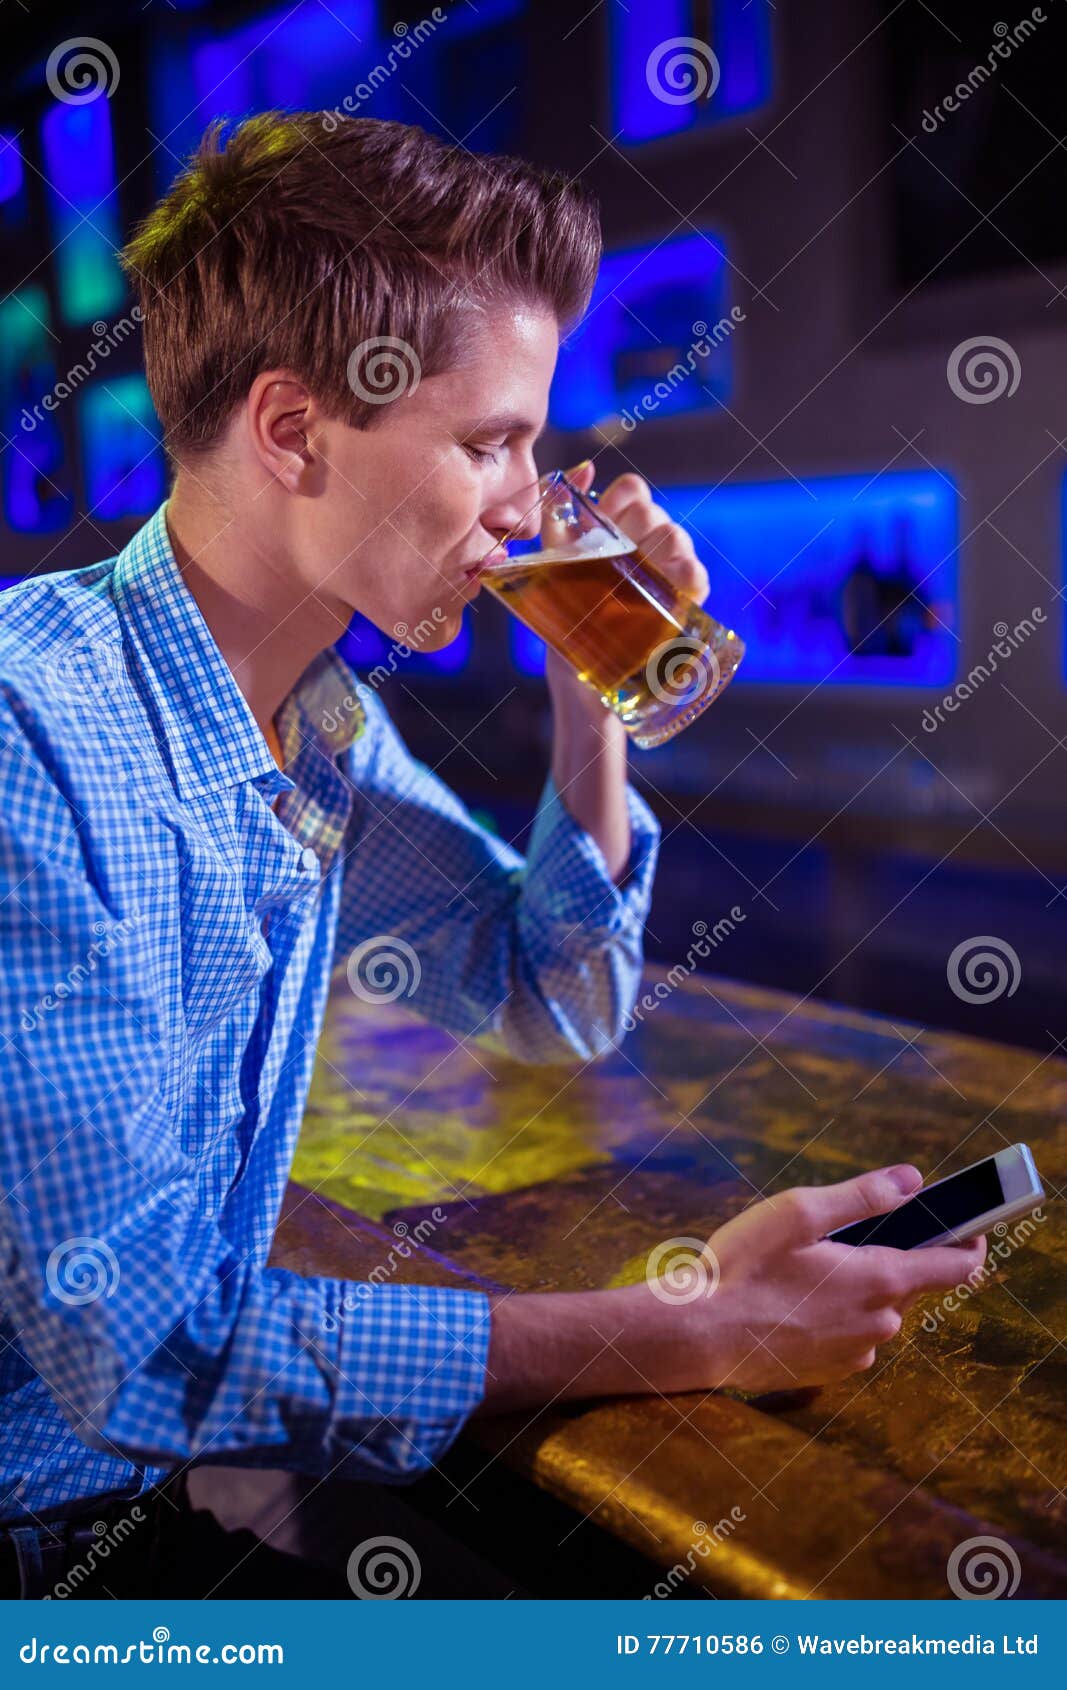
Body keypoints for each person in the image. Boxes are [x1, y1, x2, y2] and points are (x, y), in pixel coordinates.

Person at [0, 112, 985, 1598]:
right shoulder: (34, 732)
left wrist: (589, 695)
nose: (531, 500)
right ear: (291, 430)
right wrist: (690, 1317)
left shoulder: (315, 722)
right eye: (489, 441)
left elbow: (555, 993)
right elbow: (138, 1350)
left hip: (127, 1529)